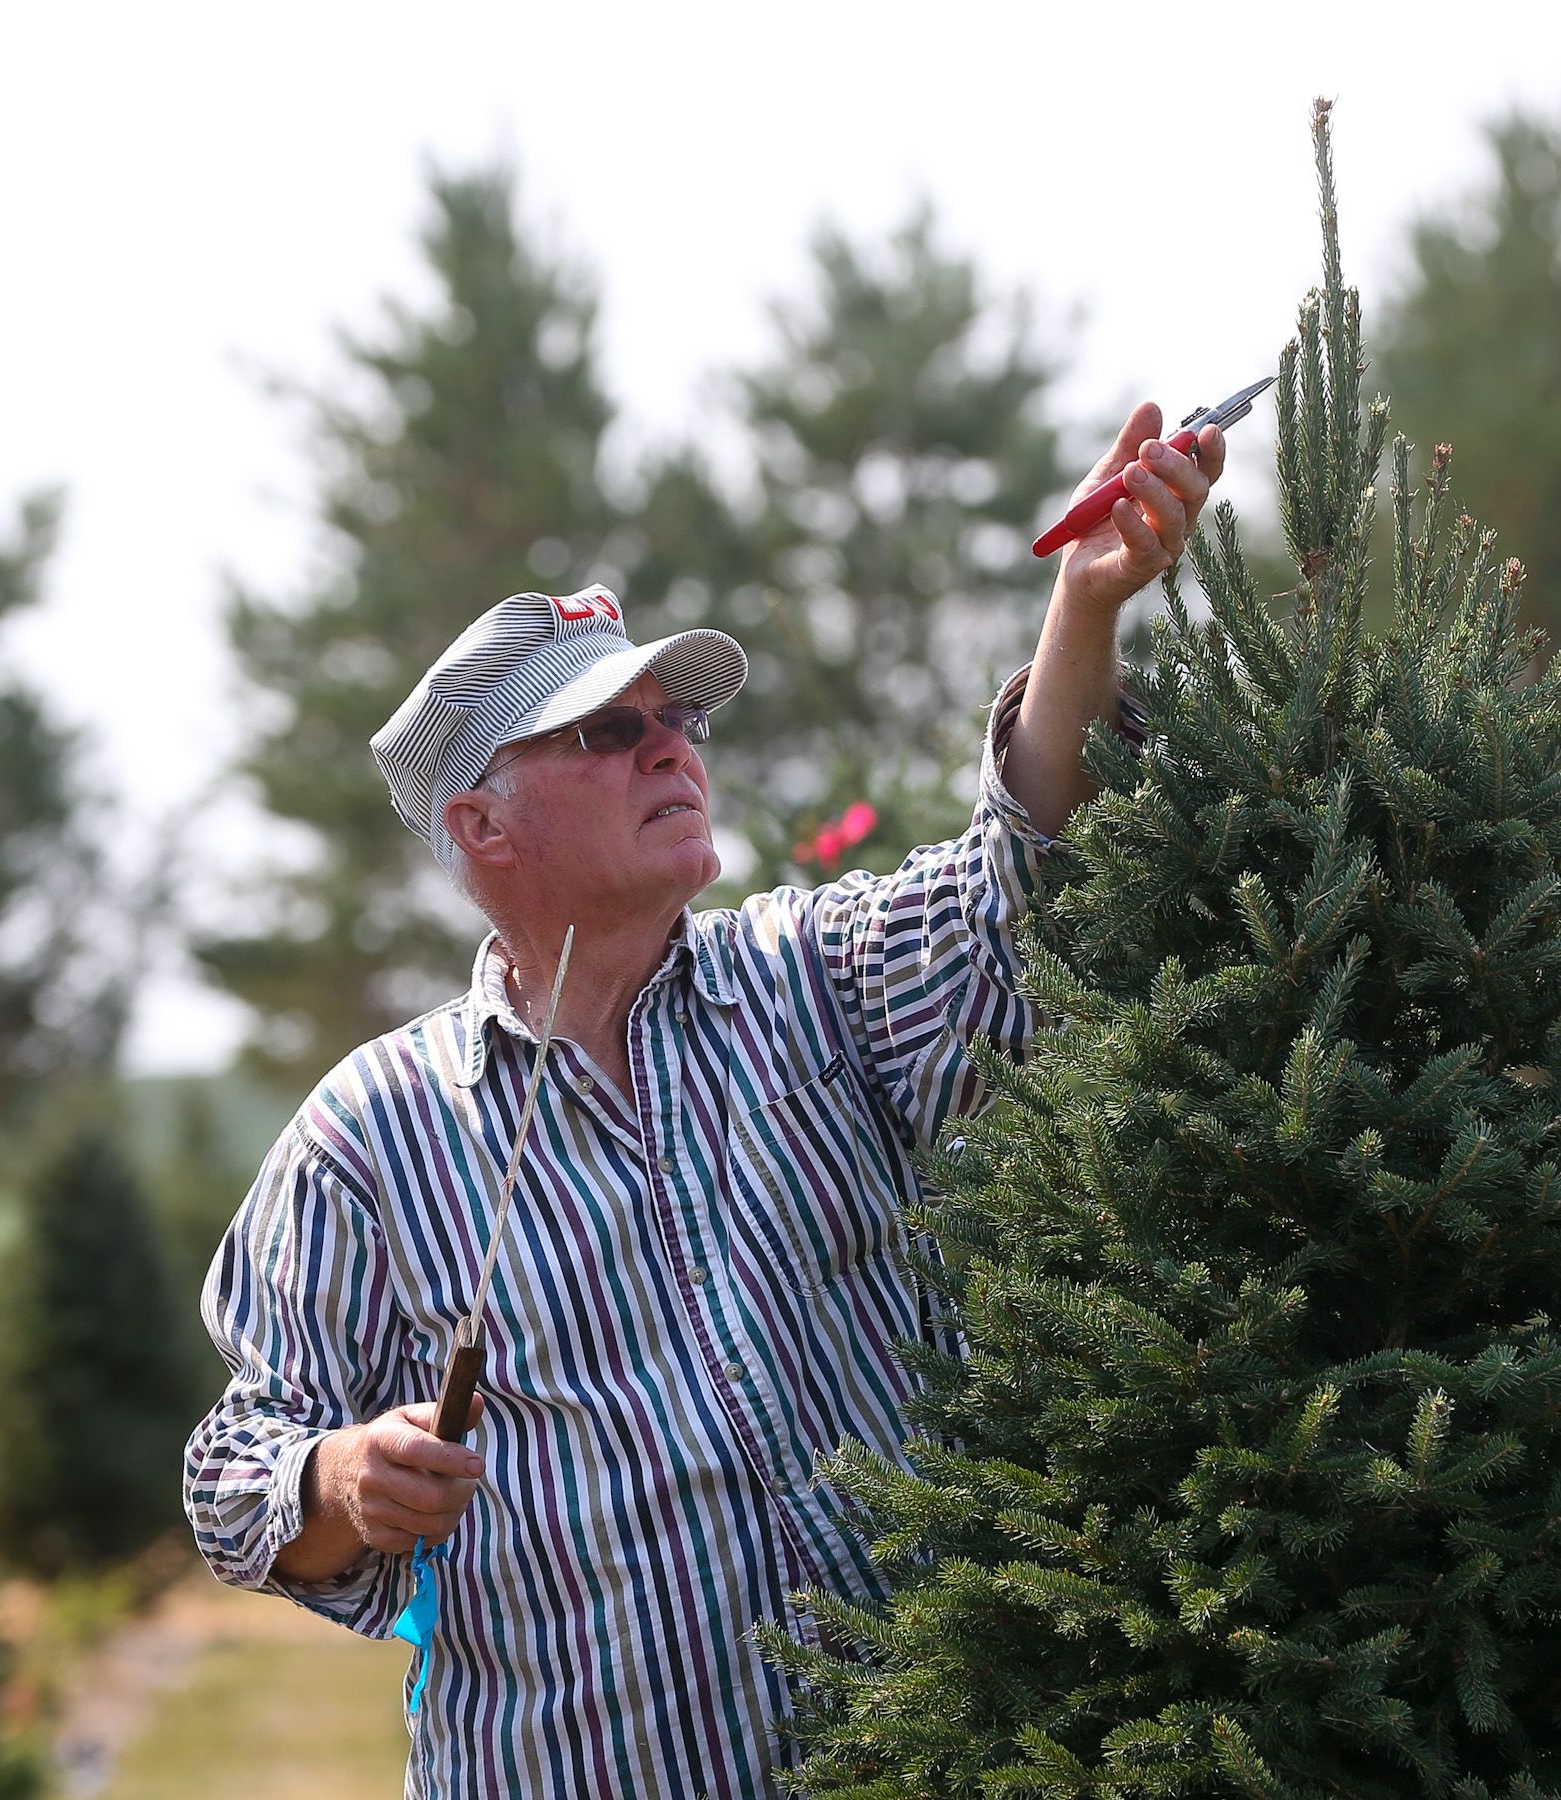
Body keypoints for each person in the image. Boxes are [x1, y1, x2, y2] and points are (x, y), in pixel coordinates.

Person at [184, 407, 1225, 1798]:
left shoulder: (810, 976)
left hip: (921, 1768)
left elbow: (1021, 880)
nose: (672, 750)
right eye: (609, 733)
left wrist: (1082, 605)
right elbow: (231, 1478)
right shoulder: (369, 1138)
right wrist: (342, 1483)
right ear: (483, 826)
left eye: (677, 720)